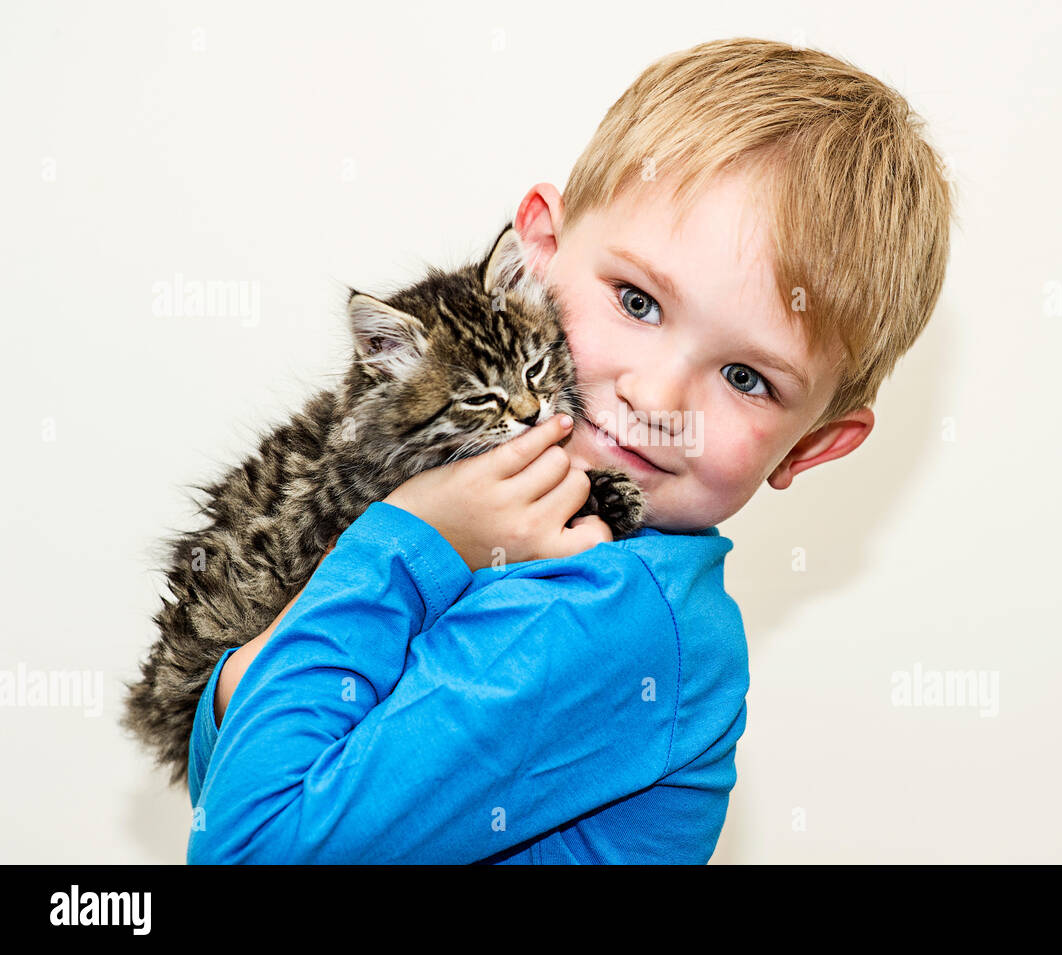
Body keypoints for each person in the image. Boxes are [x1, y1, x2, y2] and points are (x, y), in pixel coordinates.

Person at [186, 36, 954, 864]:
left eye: (745, 376)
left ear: (812, 445)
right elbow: (233, 763)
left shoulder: (604, 610)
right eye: (638, 301)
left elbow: (245, 842)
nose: (655, 399)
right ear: (537, 261)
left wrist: (407, 542)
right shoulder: (522, 535)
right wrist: (241, 678)